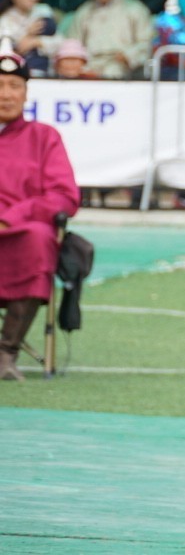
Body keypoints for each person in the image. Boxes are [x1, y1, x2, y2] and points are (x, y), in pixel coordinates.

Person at [0, 48, 81, 382]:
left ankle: (6, 351)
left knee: (39, 238)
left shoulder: (44, 137)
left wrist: (14, 216)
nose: (6, 94)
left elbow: (65, 196)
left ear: (26, 93)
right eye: (0, 85)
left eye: (14, 86)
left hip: (18, 232)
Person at [64, 0, 154, 79]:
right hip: (89, 63)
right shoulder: (84, 11)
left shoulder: (134, 9)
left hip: (122, 65)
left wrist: (128, 56)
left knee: (112, 72)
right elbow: (73, 43)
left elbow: (147, 43)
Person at [0, 0, 58, 75]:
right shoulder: (4, 19)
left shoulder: (44, 11)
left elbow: (59, 41)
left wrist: (36, 42)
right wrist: (28, 33)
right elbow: (6, 52)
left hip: (45, 71)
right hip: (14, 72)